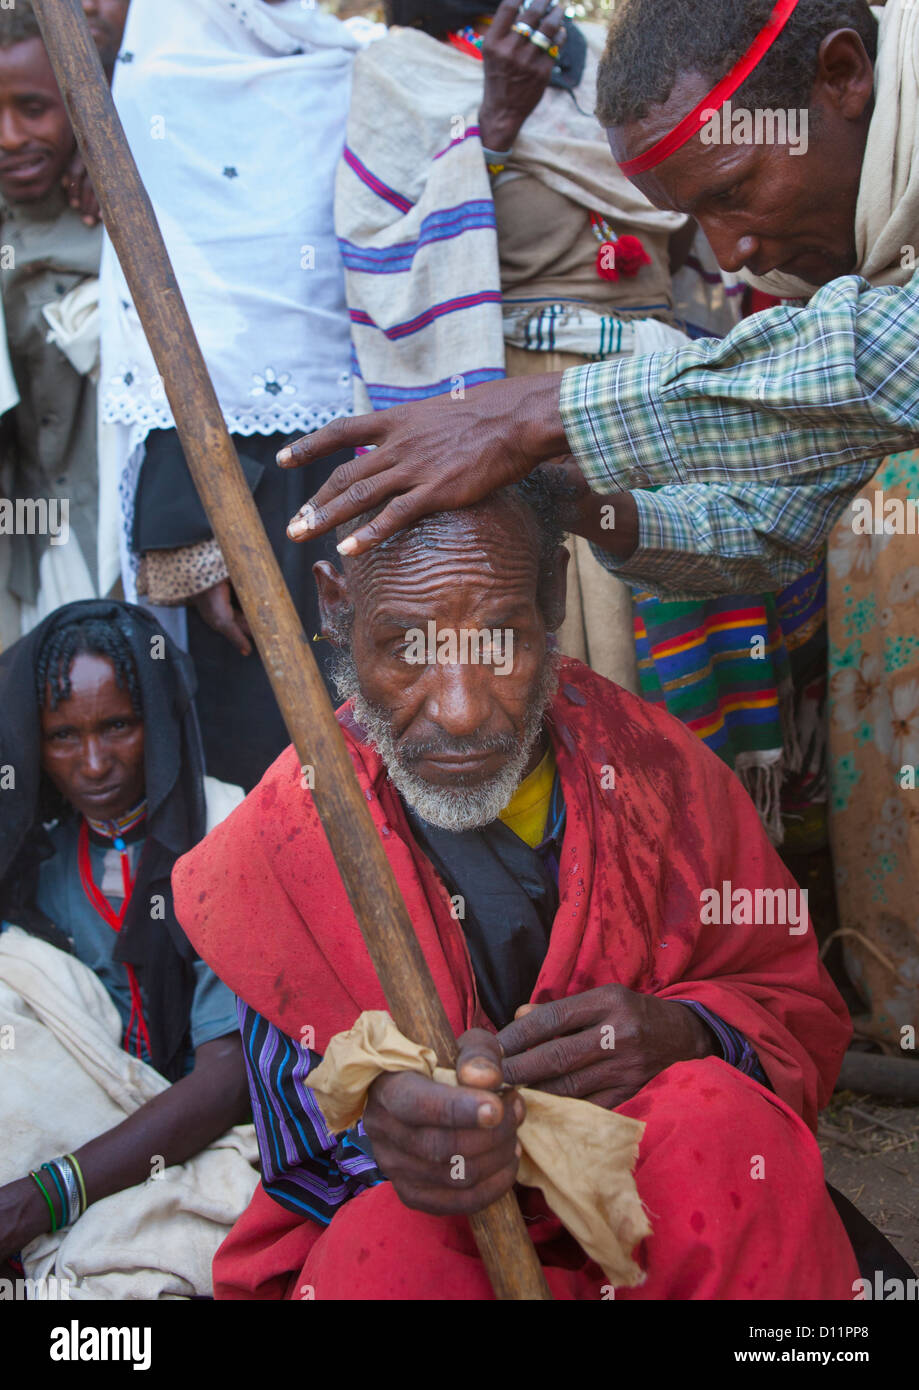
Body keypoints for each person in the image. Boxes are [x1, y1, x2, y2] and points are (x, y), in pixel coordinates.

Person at [174, 477, 865, 1300]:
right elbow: (294, 1114)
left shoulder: (657, 771)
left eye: (500, 642)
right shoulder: (286, 836)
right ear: (335, 608)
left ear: (551, 598)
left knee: (715, 1122)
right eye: (405, 647)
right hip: (436, 1217)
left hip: (647, 1189)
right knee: (387, 1255)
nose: (461, 711)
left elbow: (791, 1007)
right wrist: (390, 1132)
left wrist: (688, 1032)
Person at [341, 0, 691, 692]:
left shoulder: (606, 56)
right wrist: (496, 115)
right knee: (588, 682)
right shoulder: (397, 73)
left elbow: (688, 224)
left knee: (690, 630)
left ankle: (707, 798)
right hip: (531, 415)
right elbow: (382, 261)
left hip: (660, 393)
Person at [98, 0, 362, 789]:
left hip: (361, 446)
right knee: (262, 739)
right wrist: (191, 534)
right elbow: (160, 330)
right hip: (222, 476)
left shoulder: (348, 70)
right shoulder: (147, 93)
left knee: (378, 707)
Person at [0, 599, 255, 1297]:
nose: (93, 763)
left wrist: (49, 1195)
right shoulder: (39, 866)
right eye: (62, 736)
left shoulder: (231, 833)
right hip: (86, 1132)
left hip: (205, 1139)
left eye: (118, 725)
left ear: (162, 721)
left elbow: (226, 1081)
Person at [0, 7, 105, 649]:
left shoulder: (121, 220)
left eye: (33, 108)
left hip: (107, 536)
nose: (9, 135)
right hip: (22, 548)